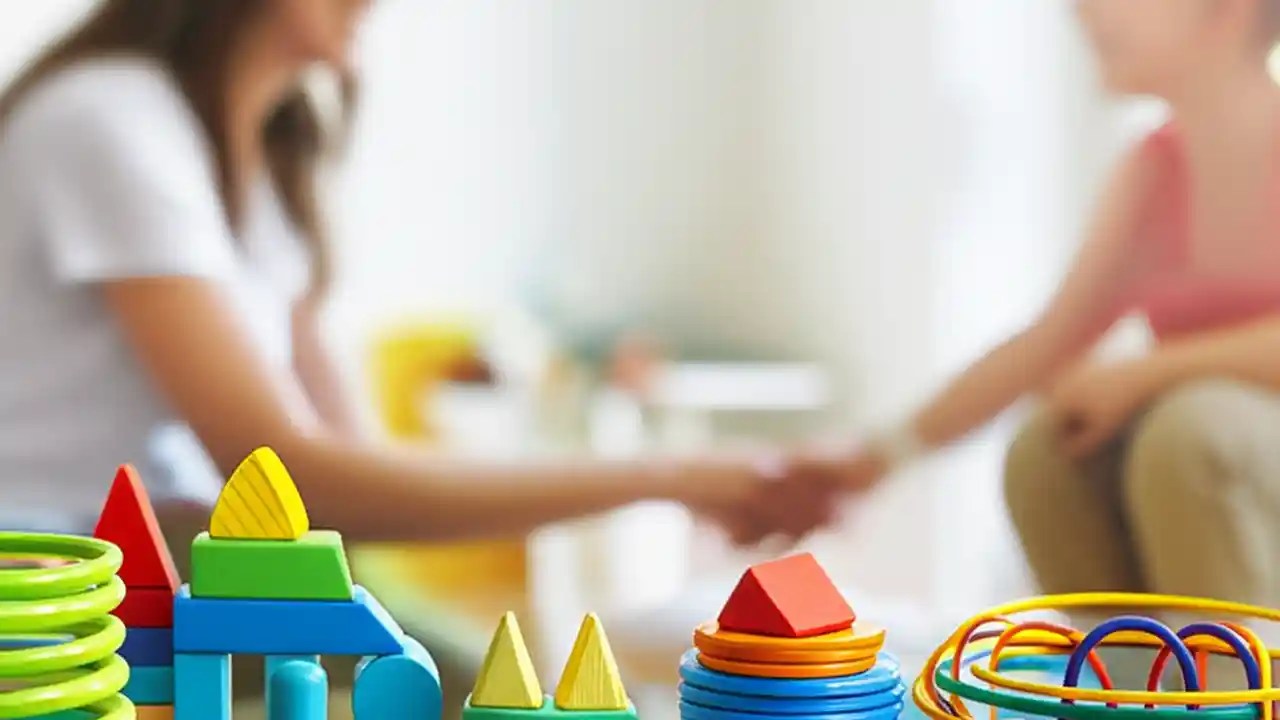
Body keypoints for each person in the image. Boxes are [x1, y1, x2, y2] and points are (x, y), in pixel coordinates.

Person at [0, 0, 841, 711]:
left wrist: (685, 478)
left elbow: (351, 471)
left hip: (172, 562)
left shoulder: (265, 169)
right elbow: (302, 475)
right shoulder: (107, 120)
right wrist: (678, 476)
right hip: (52, 582)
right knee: (470, 686)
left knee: (484, 677)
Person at [809, 0, 1280, 645]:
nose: (1084, 8)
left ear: (1229, 11)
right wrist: (871, 458)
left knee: (1190, 433)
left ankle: (1240, 694)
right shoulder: (1155, 168)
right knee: (1048, 446)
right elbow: (1050, 339)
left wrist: (1145, 373)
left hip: (1223, 446)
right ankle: (1121, 694)